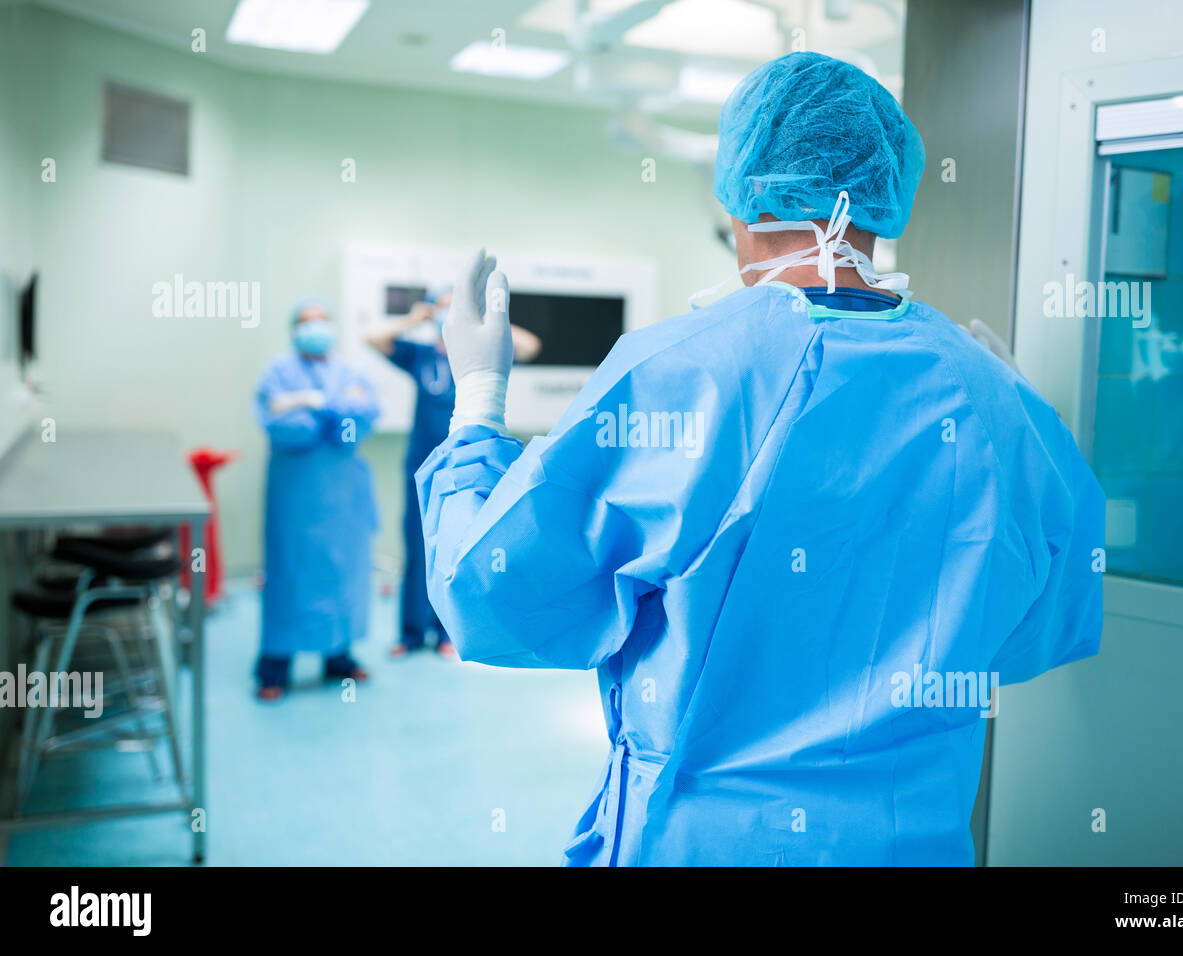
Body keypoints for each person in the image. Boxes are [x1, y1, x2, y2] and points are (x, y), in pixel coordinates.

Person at [415, 52, 1106, 865]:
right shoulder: (993, 398)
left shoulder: (680, 372)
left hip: (706, 840)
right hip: (908, 841)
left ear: (744, 200)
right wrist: (1024, 422)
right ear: (885, 200)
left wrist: (477, 408)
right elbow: (1041, 630)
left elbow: (492, 593)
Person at [365, 289, 540, 659]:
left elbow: (529, 345)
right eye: (441, 306)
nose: (447, 312)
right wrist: (418, 318)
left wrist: (484, 319)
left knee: (458, 546)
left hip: (466, 464)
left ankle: (447, 632)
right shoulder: (420, 355)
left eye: (453, 305)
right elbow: (374, 339)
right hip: (422, 465)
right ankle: (411, 634)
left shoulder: (479, 360)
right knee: (417, 546)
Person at [253, 298, 380, 702]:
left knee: (343, 573)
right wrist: (329, 416)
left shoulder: (350, 372)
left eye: (321, 321)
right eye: (307, 323)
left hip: (343, 499)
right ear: (294, 330)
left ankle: (338, 659)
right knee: (289, 575)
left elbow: (354, 430)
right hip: (295, 498)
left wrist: (321, 411)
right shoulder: (277, 371)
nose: (315, 328)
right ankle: (274, 667)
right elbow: (283, 427)